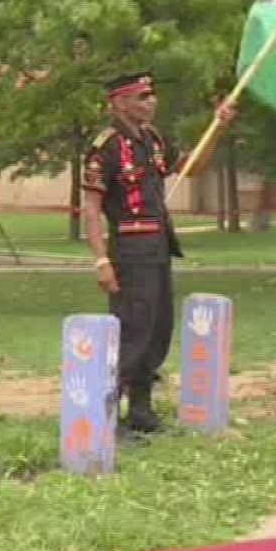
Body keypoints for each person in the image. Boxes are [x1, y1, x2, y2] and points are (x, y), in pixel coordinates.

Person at [80, 70, 235, 434]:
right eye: (142, 96)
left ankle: (141, 412)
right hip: (130, 250)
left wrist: (218, 128)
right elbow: (90, 208)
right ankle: (107, 417)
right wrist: (101, 260)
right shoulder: (105, 147)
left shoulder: (152, 139)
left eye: (152, 95)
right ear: (119, 102)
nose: (151, 102)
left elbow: (191, 167)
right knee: (133, 331)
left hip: (159, 246)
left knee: (157, 329)